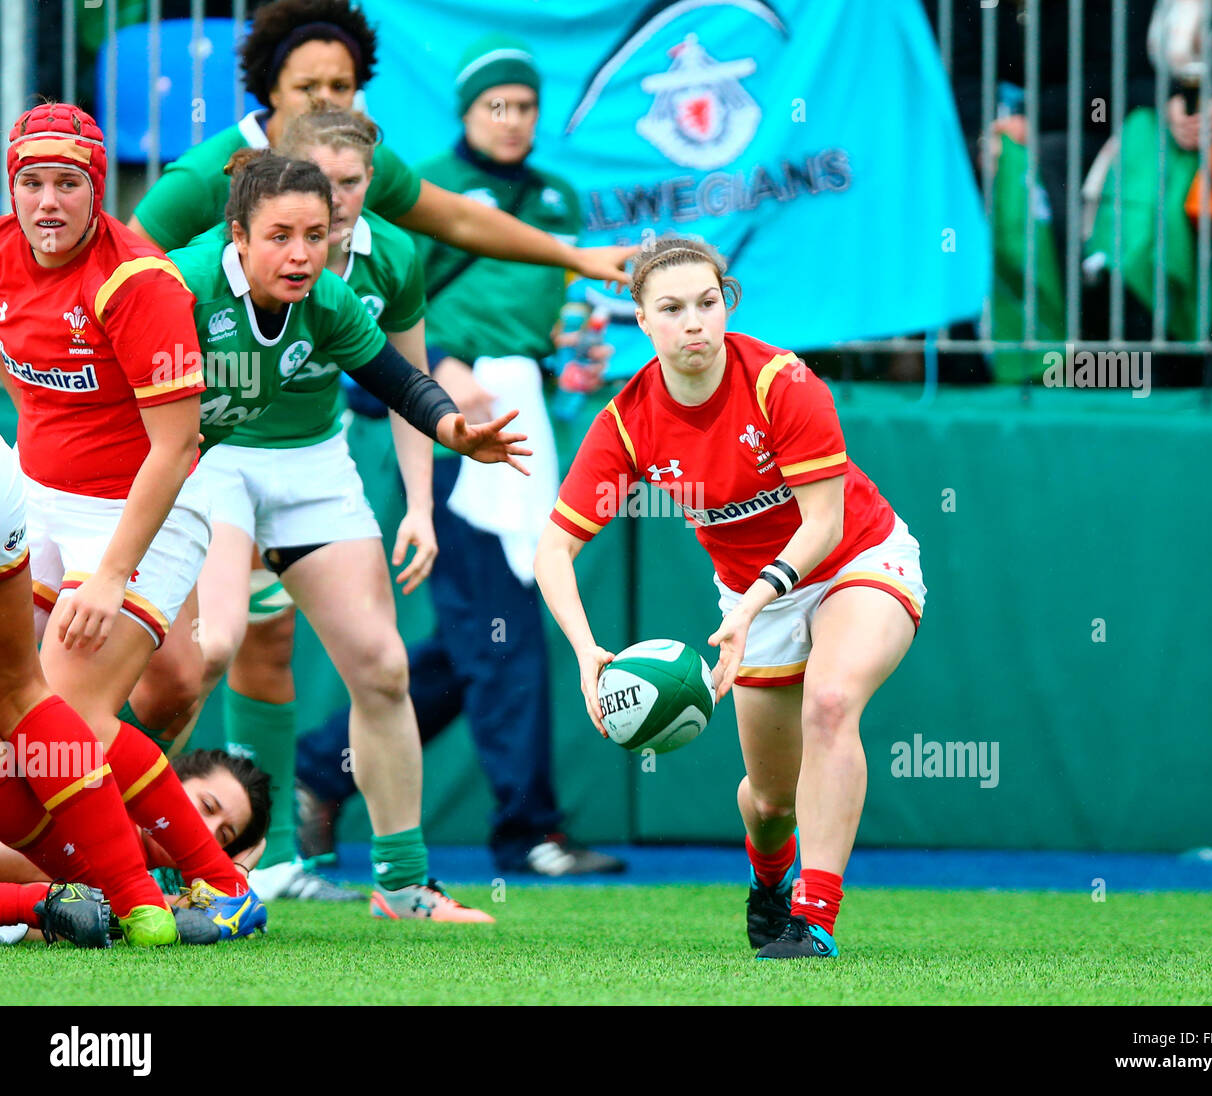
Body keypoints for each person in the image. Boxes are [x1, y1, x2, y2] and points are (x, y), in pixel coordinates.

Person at [131, 147, 526, 923]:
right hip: (209, 460)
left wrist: (453, 428)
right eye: (280, 235)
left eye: (316, 234)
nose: (302, 253)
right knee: (210, 650)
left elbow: (397, 379)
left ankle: (404, 886)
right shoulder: (180, 282)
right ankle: (109, 845)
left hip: (312, 464)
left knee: (382, 666)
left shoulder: (334, 295)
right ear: (235, 232)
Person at [534, 237, 927, 959]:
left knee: (832, 703)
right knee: (769, 801)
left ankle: (813, 920)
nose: (695, 324)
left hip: (857, 559)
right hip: (756, 601)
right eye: (673, 309)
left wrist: (750, 603)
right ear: (642, 320)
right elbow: (552, 551)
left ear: (727, 302)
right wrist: (589, 651)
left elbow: (825, 522)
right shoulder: (628, 421)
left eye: (708, 303)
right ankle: (770, 879)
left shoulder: (783, 380)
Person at [295, 38, 624, 878]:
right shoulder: (426, 185)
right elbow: (394, 302)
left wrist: (566, 347)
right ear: (468, 113)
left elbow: (540, 308)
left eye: (524, 105)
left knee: (482, 632)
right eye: (495, 106)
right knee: (502, 629)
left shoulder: (558, 197)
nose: (511, 121)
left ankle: (318, 768)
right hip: (449, 423)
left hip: (526, 408)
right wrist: (438, 367)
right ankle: (529, 831)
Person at [0, 101, 263, 943]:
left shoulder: (137, 282)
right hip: (35, 499)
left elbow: (176, 446)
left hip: (144, 509)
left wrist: (111, 574)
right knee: (23, 713)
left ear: (96, 190)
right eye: (31, 183)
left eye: (66, 184)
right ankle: (95, 895)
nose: (47, 202)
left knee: (67, 718)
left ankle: (218, 886)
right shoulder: (5, 258)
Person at [125, 0, 634, 286]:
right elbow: (126, 272)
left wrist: (578, 258)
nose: (325, 100)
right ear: (271, 88)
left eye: (341, 87)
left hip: (317, 415)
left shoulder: (358, 159)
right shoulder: (203, 174)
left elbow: (457, 218)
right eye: (307, 87)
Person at [0, 748, 272, 947]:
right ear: (170, 780)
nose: (206, 832)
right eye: (207, 806)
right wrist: (232, 880)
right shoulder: (87, 791)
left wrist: (230, 879)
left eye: (223, 836)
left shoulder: (139, 882)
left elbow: (90, 909)